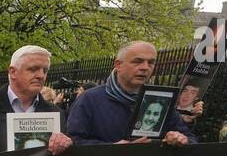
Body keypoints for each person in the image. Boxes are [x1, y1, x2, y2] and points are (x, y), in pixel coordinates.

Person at [65, 42, 196, 146]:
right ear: (118, 65)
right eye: (137, 61)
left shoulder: (160, 100)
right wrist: (113, 149)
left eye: (151, 62)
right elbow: (73, 142)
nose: (145, 67)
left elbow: (191, 140)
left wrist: (180, 140)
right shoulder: (90, 99)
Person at [0, 46, 72, 156]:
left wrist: (67, 145)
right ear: (13, 72)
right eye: (33, 69)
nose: (41, 76)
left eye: (45, 70)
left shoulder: (55, 113)